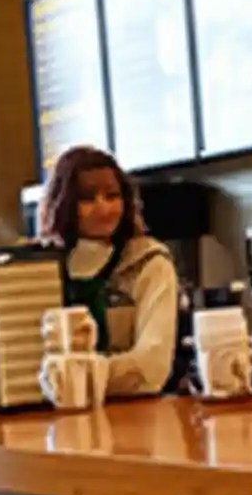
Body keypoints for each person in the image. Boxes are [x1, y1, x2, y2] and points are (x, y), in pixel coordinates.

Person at [37, 145, 179, 396]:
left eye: (112, 196)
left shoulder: (149, 264)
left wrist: (74, 381)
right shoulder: (38, 270)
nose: (103, 208)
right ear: (64, 203)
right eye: (87, 199)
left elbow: (152, 367)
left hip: (138, 420)